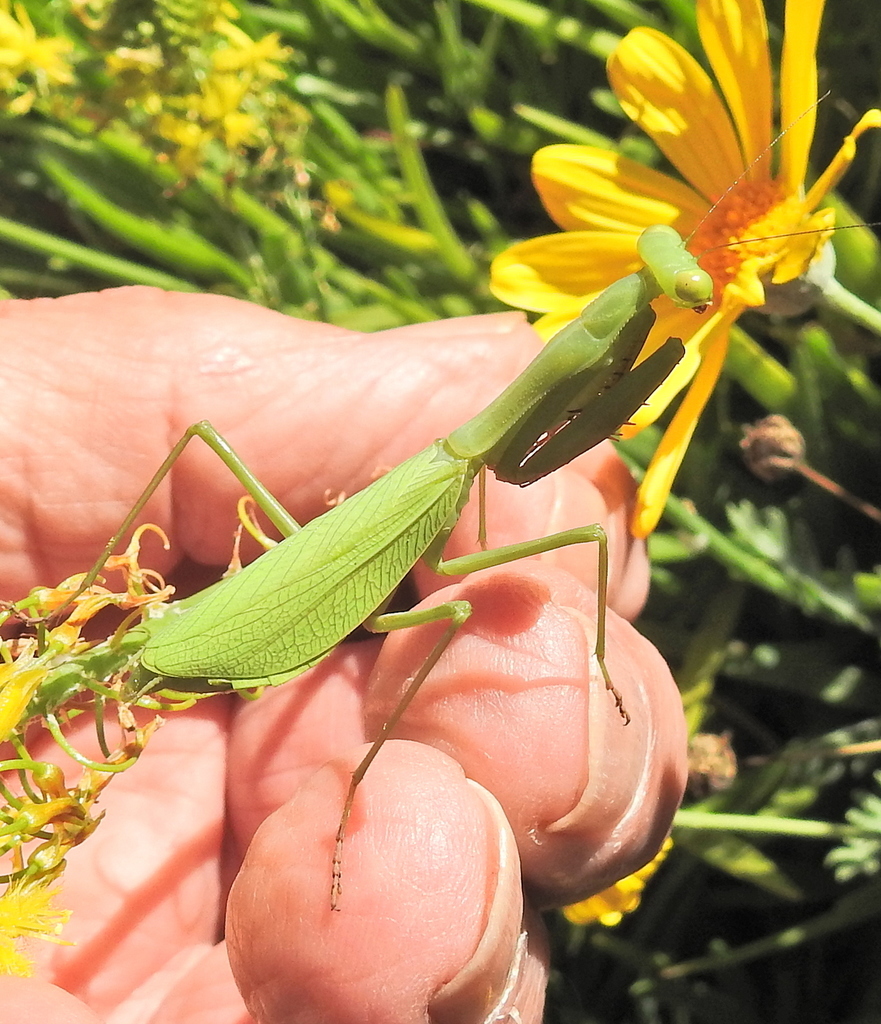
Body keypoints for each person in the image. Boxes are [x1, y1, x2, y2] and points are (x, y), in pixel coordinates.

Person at [0, 287, 687, 1024]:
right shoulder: (460, 458)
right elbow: (519, 476)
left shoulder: (462, 457)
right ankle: (363, 787)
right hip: (232, 627)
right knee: (478, 594)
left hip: (234, 624)